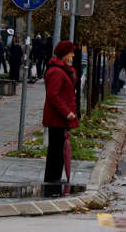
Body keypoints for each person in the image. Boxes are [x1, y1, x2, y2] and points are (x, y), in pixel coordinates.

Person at [42, 40, 79, 197]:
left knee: (58, 151)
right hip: (56, 118)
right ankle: (52, 183)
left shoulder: (62, 69)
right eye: (71, 52)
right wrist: (66, 112)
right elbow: (53, 96)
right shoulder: (57, 72)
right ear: (64, 54)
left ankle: (54, 181)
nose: (73, 55)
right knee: (56, 152)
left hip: (60, 119)